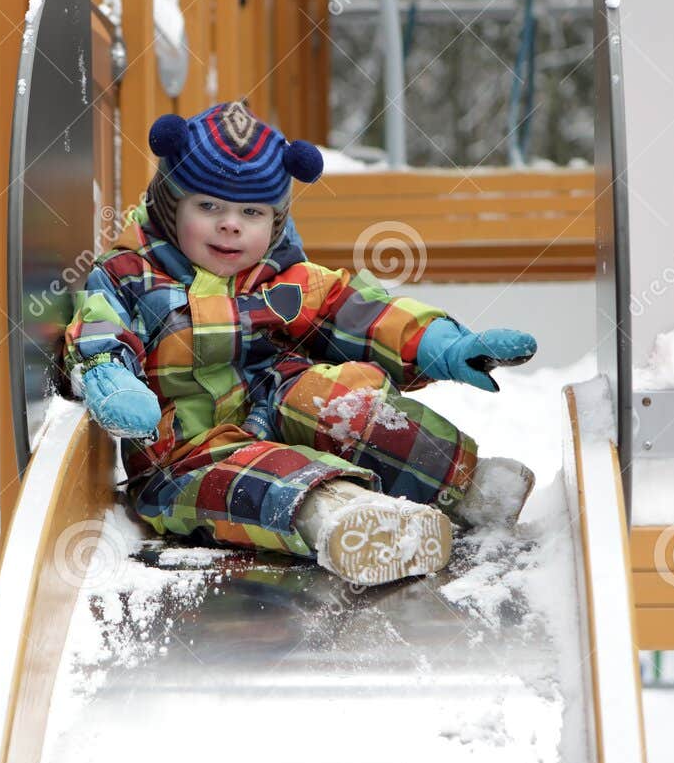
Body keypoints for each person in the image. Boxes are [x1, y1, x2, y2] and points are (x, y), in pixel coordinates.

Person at [62, 101, 537, 586]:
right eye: (208, 206)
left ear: (274, 220)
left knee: (342, 400)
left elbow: (363, 314)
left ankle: (466, 486)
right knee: (251, 481)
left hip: (277, 408)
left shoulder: (285, 278)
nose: (230, 224)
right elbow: (100, 329)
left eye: (251, 212)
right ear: (171, 204)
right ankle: (340, 516)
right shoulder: (130, 276)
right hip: (187, 452)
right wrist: (112, 377)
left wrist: (444, 345)